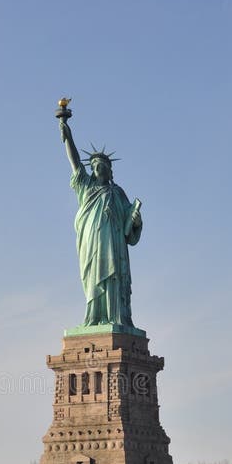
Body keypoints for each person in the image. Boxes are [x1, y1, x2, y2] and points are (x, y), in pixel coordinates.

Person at [60, 117, 142, 327]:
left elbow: (129, 232)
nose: (99, 169)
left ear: (109, 170)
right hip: (91, 242)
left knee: (114, 277)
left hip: (113, 243)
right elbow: (75, 162)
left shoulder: (118, 193)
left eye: (103, 166)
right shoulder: (86, 188)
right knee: (93, 277)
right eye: (95, 166)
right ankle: (94, 317)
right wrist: (67, 135)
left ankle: (117, 318)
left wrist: (135, 220)